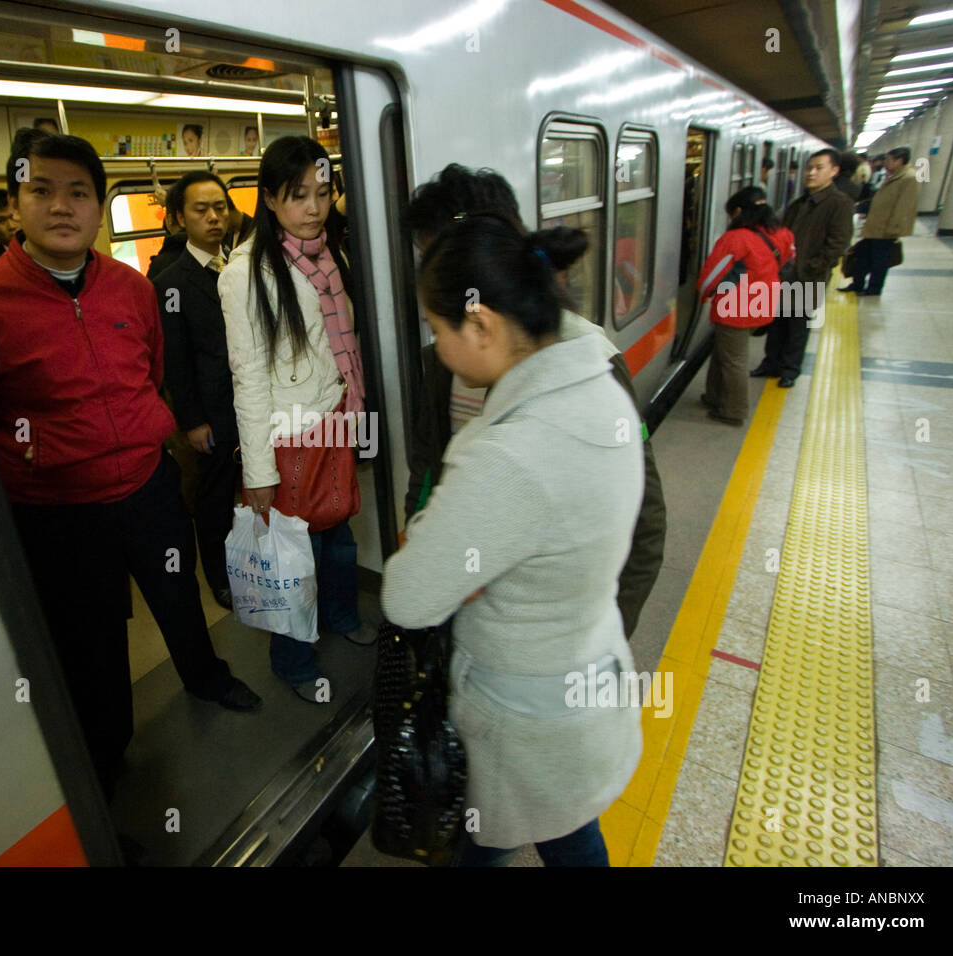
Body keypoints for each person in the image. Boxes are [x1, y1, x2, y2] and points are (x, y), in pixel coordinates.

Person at [0, 128, 261, 796]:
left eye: (79, 193)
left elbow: (149, 371)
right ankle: (110, 752)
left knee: (178, 596)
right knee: (92, 641)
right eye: (42, 191)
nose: (62, 207)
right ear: (16, 201)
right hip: (60, 511)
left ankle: (206, 678)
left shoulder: (130, 287)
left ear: (97, 205)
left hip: (147, 486)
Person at [381, 214, 644, 867]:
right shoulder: (602, 394)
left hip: (520, 714)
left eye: (438, 329)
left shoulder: (506, 453)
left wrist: (434, 544)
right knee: (568, 825)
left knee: (490, 838)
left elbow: (409, 598)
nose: (438, 346)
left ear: (481, 326)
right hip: (588, 675)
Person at [401, 163, 665, 639]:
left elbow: (644, 522)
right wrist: (422, 537)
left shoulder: (593, 362)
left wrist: (606, 633)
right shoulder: (446, 360)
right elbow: (427, 464)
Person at [219, 135, 373, 703]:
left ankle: (339, 614)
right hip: (284, 437)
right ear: (268, 199)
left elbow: (345, 344)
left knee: (338, 537)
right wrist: (258, 471)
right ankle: (294, 661)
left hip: (332, 417)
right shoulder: (246, 273)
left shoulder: (330, 255)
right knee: (290, 554)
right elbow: (249, 376)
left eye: (323, 192)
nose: (314, 208)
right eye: (297, 195)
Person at [152, 171, 239, 609]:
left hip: (253, 404)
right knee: (215, 498)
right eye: (200, 209)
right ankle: (219, 576)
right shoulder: (171, 284)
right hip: (213, 412)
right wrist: (192, 421)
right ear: (180, 218)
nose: (213, 217)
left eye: (220, 207)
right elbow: (175, 362)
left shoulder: (241, 268)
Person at [752, 148, 853, 388]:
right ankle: (771, 363)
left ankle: (790, 369)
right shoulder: (800, 202)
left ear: (834, 171)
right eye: (809, 168)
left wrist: (811, 268)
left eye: (819, 168)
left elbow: (838, 244)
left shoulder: (839, 204)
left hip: (808, 276)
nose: (811, 173)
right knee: (777, 321)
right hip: (785, 273)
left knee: (797, 324)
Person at [697, 187, 795, 425]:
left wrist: (704, 295)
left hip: (737, 308)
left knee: (734, 361)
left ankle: (733, 411)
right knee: (724, 353)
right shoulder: (782, 232)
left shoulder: (736, 238)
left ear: (740, 211)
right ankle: (713, 396)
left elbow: (712, 276)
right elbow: (787, 260)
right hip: (766, 301)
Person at [840, 146, 919, 297]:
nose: (885, 163)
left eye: (889, 160)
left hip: (886, 230)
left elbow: (905, 206)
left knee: (879, 262)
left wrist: (894, 229)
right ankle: (857, 285)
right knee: (862, 256)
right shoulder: (894, 175)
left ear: (899, 161)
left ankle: (874, 289)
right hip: (875, 226)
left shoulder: (908, 178)